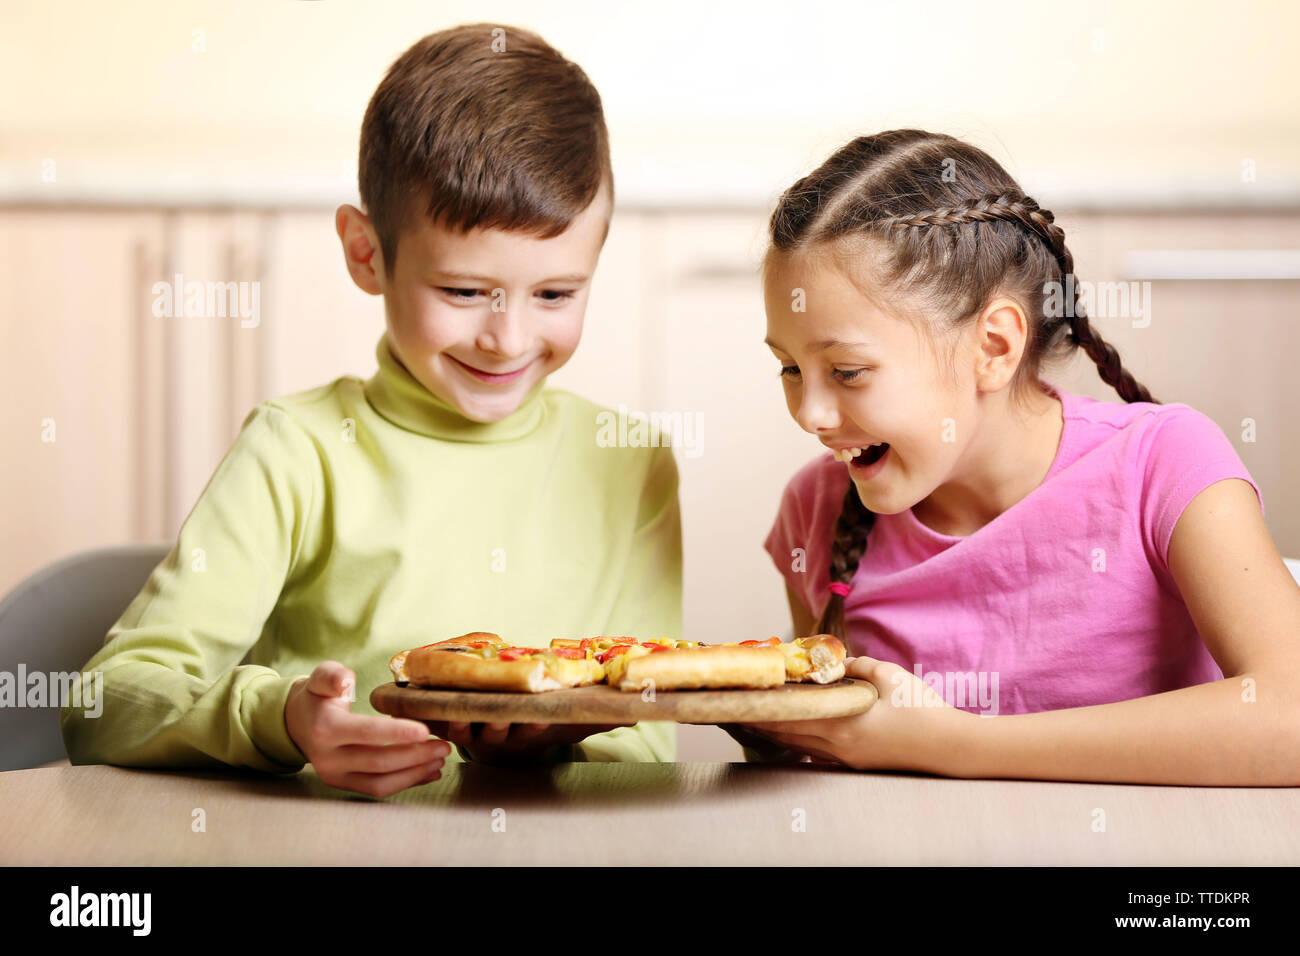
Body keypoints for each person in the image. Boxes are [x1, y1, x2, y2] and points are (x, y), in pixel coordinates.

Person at [61, 24, 680, 797]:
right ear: (366, 253)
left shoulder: (630, 462)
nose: (507, 339)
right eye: (461, 292)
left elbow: (648, 743)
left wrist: (545, 750)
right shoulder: (297, 452)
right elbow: (103, 702)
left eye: (556, 293)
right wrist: (283, 718)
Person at [730, 129, 1300, 785]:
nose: (811, 415)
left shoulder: (1165, 463)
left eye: (849, 371)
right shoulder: (818, 508)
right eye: (790, 369)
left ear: (994, 348)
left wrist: (954, 745)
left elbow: (1288, 715)